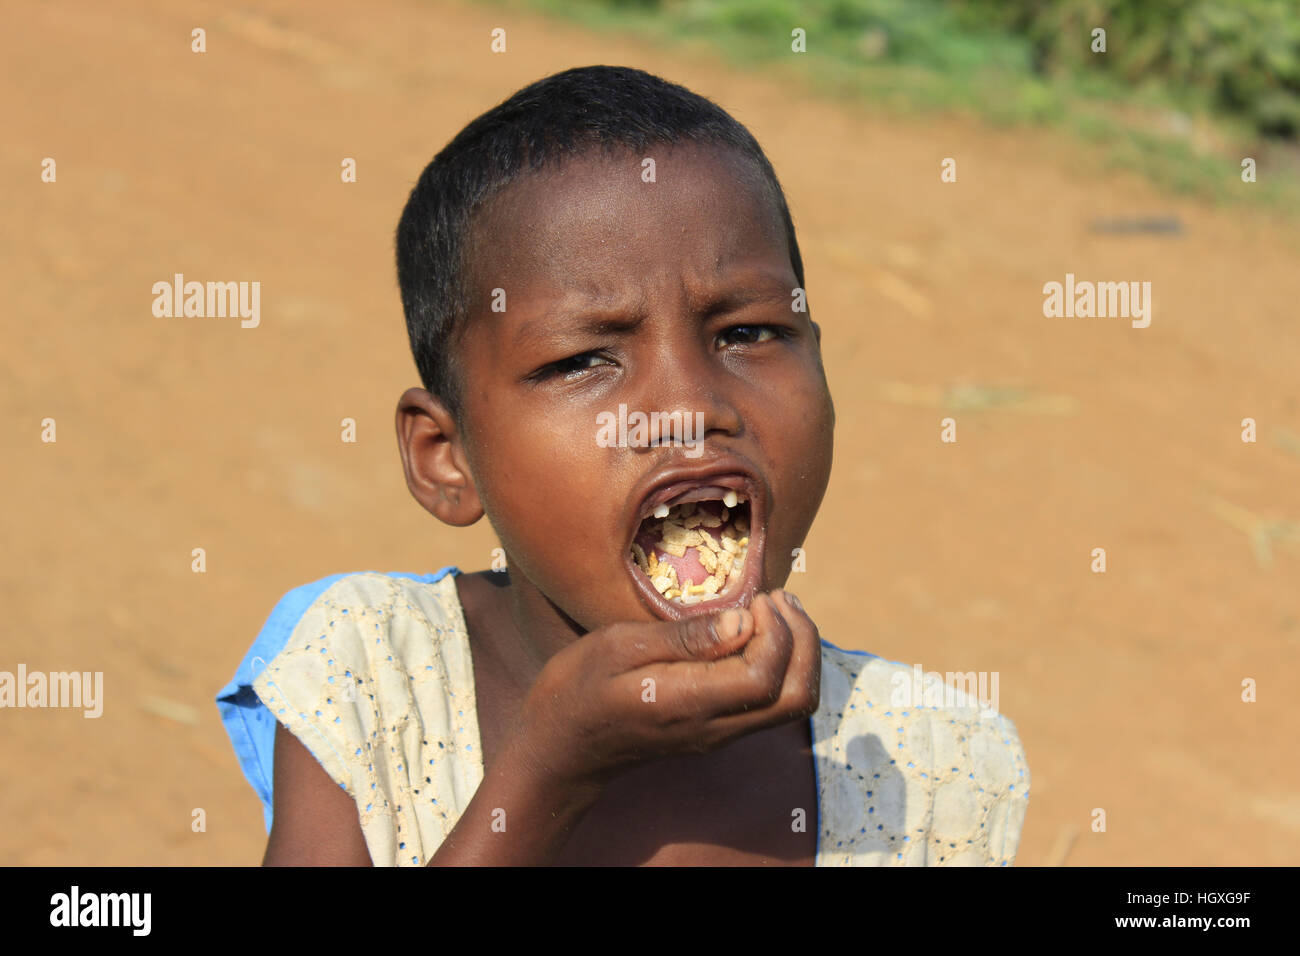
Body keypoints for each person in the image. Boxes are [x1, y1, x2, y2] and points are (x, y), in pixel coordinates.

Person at [216, 65, 1029, 866]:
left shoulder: (928, 764)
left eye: (747, 333)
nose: (687, 408)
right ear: (447, 458)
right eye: (581, 361)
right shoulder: (371, 675)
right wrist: (548, 773)